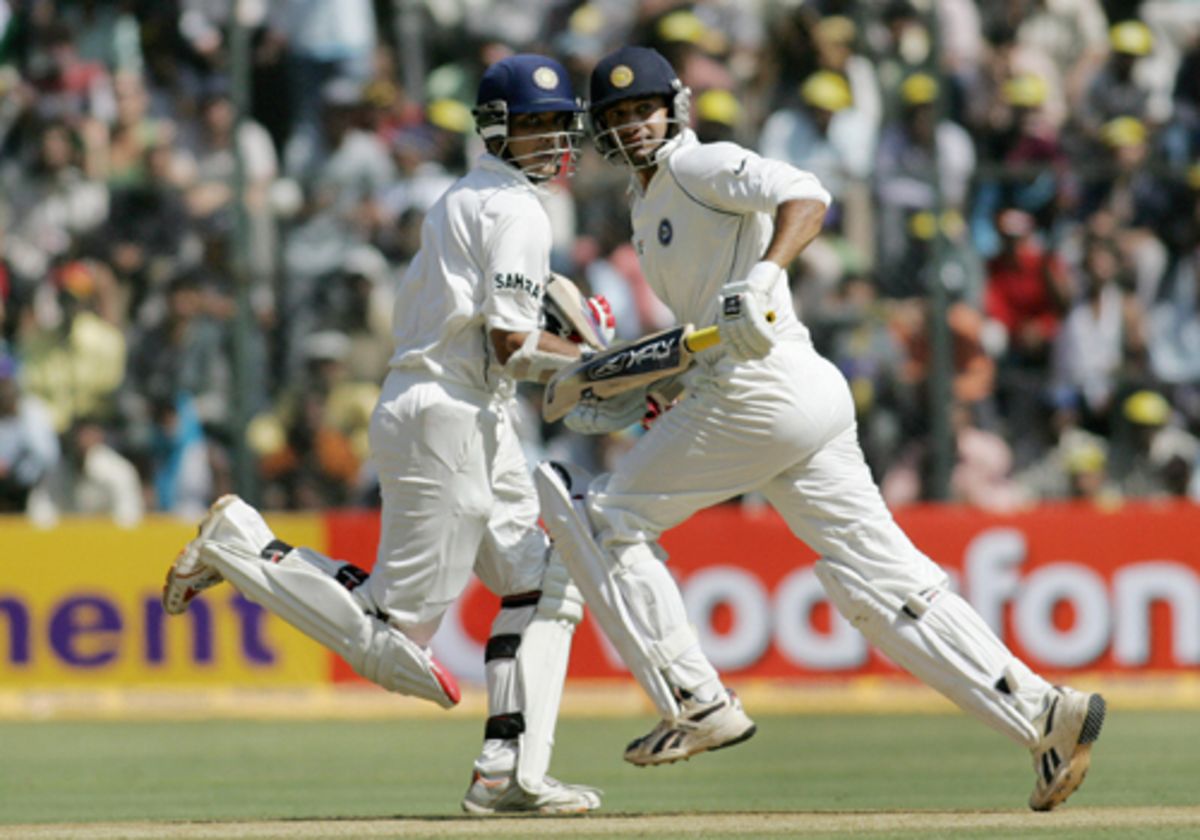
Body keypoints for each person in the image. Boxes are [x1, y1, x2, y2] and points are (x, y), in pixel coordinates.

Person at [534, 46, 1104, 812]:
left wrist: (766, 274)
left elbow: (806, 191)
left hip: (762, 391)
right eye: (619, 117)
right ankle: (1042, 712)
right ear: (601, 130)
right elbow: (708, 327)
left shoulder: (701, 168)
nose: (636, 126)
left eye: (646, 110)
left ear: (675, 108)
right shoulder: (646, 209)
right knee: (875, 581)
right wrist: (648, 380)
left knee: (603, 522)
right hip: (790, 395)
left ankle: (696, 701)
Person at [162, 54, 611, 815]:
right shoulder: (516, 209)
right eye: (531, 127)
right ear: (497, 131)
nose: (548, 142)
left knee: (538, 580)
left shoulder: (466, 196)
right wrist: (597, 360)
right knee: (396, 644)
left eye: (554, 125)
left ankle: (506, 769)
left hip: (472, 410)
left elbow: (501, 341)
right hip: (449, 415)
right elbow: (512, 345)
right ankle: (243, 542)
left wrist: (571, 350)